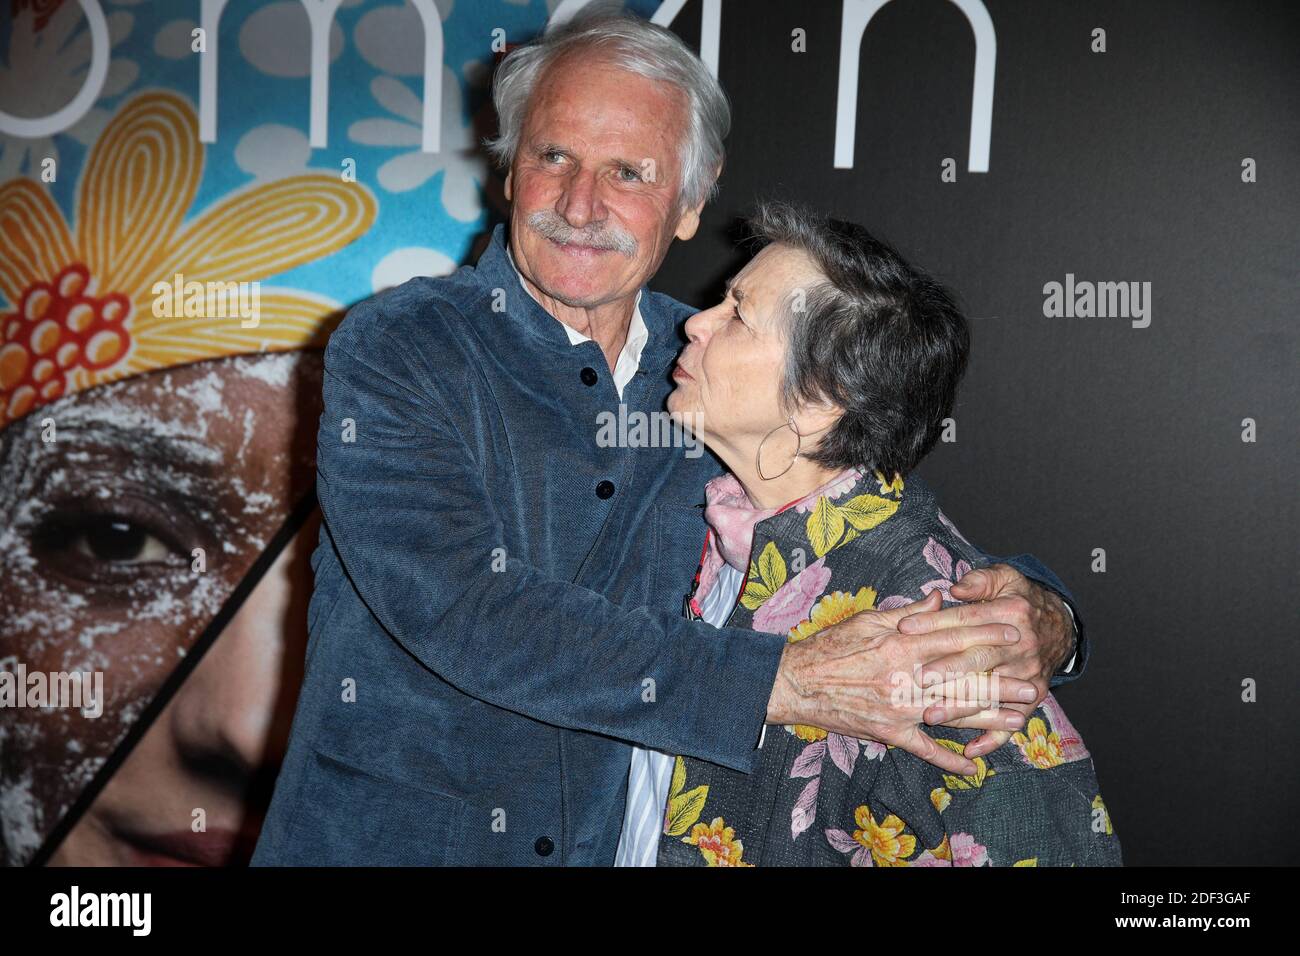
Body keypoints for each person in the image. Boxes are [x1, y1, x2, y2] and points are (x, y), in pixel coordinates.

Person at [251, 9, 1086, 867]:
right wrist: (779, 683)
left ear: (690, 202)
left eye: (628, 172)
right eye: (553, 157)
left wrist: (1047, 615)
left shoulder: (718, 370)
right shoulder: (401, 347)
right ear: (509, 170)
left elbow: (857, 515)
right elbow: (467, 610)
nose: (580, 204)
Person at [636, 201, 1120, 867]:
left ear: (817, 399)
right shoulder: (709, 524)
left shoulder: (937, 632)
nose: (692, 322)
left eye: (739, 315)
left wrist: (1054, 622)